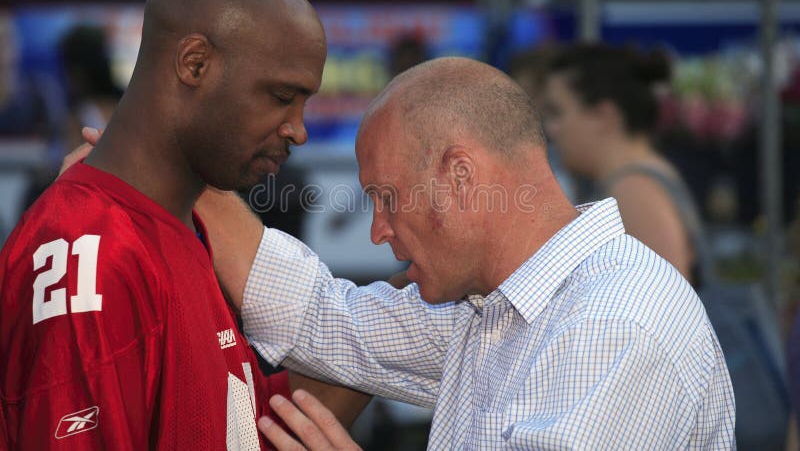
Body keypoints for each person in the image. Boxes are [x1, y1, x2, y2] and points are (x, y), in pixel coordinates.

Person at [197, 57, 736, 449]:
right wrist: (178, 167)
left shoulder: (611, 325)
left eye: (387, 198)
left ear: (460, 175)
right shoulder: (493, 308)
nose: (378, 232)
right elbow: (322, 318)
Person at [0, 0, 367, 450]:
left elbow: (241, 426)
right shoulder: (90, 253)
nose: (298, 130)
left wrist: (431, 290)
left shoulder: (180, 226)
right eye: (282, 97)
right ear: (194, 63)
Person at [542, 44, 699, 285]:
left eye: (557, 112)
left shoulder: (633, 189)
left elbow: (669, 294)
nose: (550, 129)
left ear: (604, 116)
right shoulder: (636, 179)